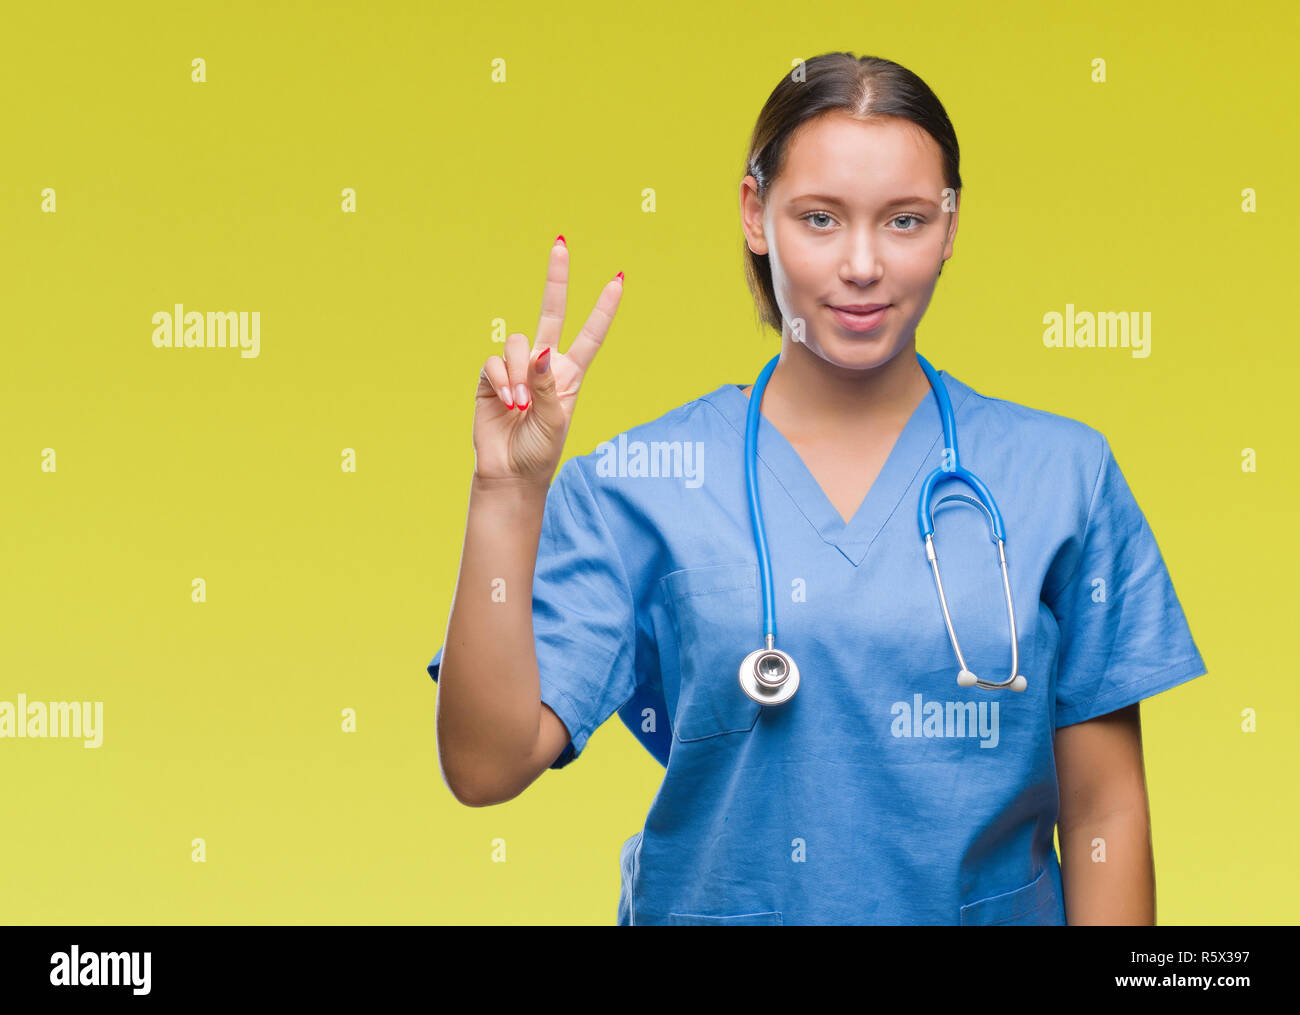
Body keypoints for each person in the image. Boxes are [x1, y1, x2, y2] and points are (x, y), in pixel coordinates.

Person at [425, 52, 1207, 926]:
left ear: (951, 225)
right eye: (821, 218)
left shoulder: (1063, 478)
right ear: (755, 214)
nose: (863, 264)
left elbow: (1104, 812)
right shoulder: (638, 485)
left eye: (905, 220)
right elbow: (485, 765)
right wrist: (506, 490)